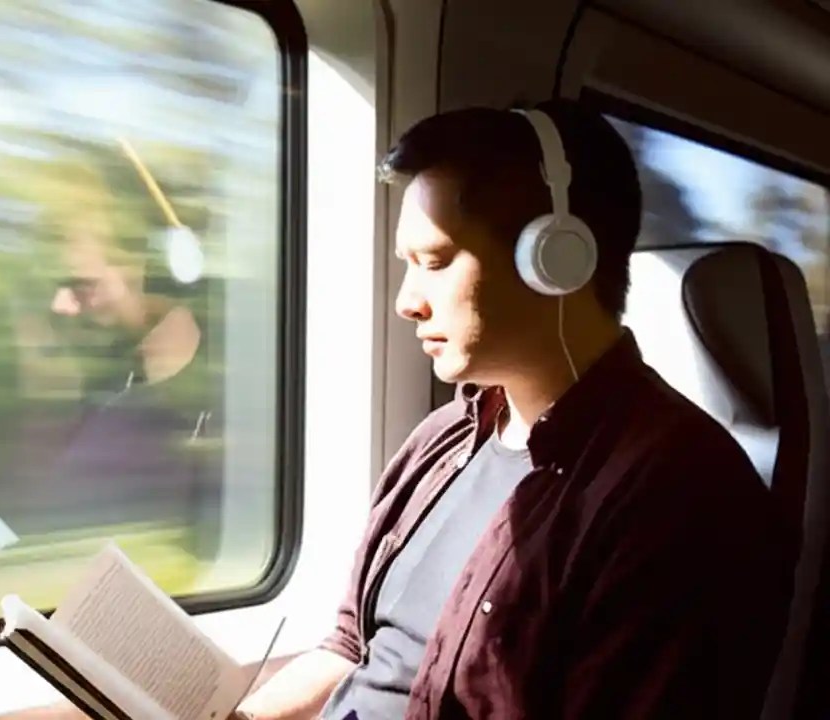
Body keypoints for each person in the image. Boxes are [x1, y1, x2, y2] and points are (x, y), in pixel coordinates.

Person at [232, 100, 796, 719]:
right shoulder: (441, 441)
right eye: (406, 265)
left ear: (555, 258)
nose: (406, 301)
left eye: (437, 262)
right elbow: (351, 650)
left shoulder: (683, 496)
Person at [0, 152, 223, 630]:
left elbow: (114, 622)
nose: (60, 305)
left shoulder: (187, 417)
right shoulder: (109, 391)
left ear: (139, 266)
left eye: (81, 285)